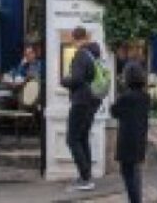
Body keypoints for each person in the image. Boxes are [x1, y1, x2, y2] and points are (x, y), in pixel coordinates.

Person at [61, 26, 102, 191]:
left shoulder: (80, 54)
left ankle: (85, 179)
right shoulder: (92, 54)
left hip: (81, 102)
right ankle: (86, 176)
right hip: (91, 102)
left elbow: (76, 79)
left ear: (74, 38)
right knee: (83, 138)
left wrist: (65, 81)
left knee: (72, 139)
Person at [110, 60, 150, 203]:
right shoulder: (145, 96)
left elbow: (114, 112)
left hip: (127, 140)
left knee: (127, 173)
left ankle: (135, 200)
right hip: (140, 138)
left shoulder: (125, 97)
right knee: (136, 172)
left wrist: (120, 92)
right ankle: (136, 199)